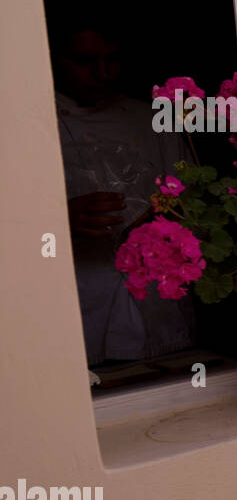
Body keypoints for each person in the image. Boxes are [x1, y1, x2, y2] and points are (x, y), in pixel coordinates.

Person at [53, 23, 195, 366]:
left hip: (157, 306)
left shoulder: (150, 120)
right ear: (54, 58)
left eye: (111, 59)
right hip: (77, 302)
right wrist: (59, 220)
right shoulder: (28, 122)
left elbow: (194, 204)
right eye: (85, 61)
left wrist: (162, 224)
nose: (101, 73)